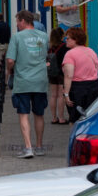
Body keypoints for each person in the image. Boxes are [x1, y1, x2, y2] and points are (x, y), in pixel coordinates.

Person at [6, 10, 50, 159]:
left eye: (17, 21)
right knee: (39, 114)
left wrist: (9, 71)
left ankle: (28, 148)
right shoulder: (44, 36)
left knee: (23, 114)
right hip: (40, 80)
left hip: (23, 81)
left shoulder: (17, 37)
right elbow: (44, 55)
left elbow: (10, 60)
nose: (17, 25)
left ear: (23, 21)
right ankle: (39, 147)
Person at [63, 27, 98, 123]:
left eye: (68, 38)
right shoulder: (91, 51)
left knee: (76, 119)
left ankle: (76, 137)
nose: (65, 40)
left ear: (75, 39)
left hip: (78, 88)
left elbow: (69, 76)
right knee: (91, 117)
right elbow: (96, 67)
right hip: (94, 86)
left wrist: (66, 94)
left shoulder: (70, 54)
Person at [47, 27, 69, 125]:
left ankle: (54, 118)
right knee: (61, 96)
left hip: (52, 73)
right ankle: (61, 118)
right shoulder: (64, 47)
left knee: (53, 95)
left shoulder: (50, 48)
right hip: (61, 73)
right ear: (61, 36)